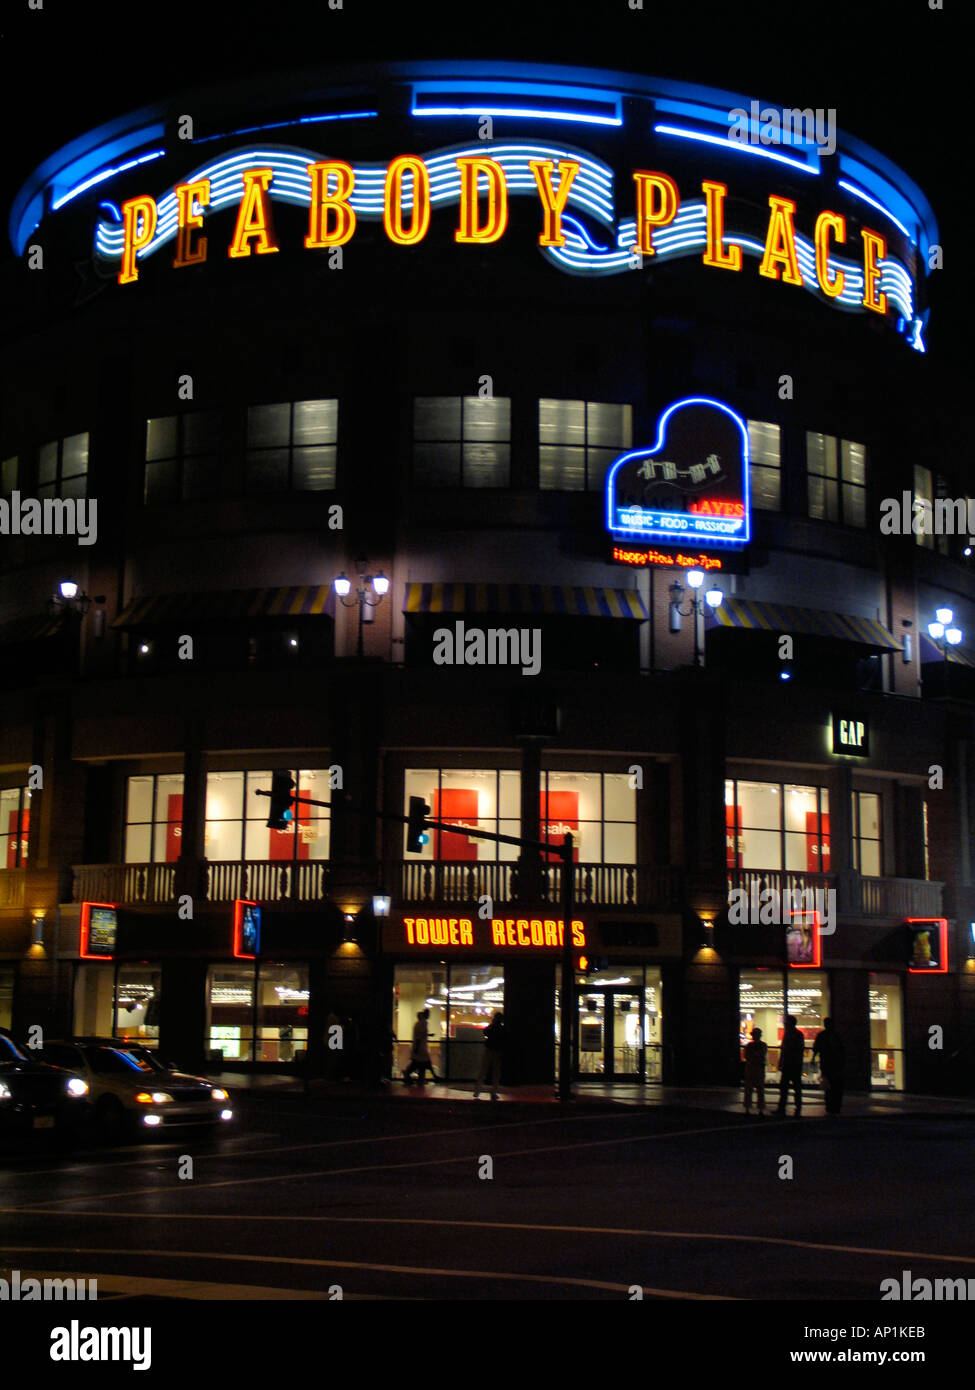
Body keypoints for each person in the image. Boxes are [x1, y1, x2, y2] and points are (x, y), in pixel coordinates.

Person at [812, 1017, 846, 1114]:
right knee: (836, 1086)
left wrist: (813, 1058)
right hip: (835, 1064)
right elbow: (842, 1049)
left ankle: (830, 1106)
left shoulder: (822, 1035)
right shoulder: (836, 1035)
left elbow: (816, 1048)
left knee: (828, 1086)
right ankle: (836, 1106)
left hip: (826, 1064)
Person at [776, 1015, 805, 1116]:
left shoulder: (793, 1035)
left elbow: (786, 1050)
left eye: (785, 1023)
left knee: (787, 1087)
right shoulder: (795, 1034)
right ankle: (794, 1107)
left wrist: (781, 1062)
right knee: (792, 1087)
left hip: (792, 1064)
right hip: (793, 1065)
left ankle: (784, 1107)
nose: (784, 1025)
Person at [403, 1009, 439, 1085]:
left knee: (419, 1064)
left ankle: (418, 1078)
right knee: (423, 1063)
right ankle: (429, 1077)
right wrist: (417, 1048)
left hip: (419, 1048)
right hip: (420, 1048)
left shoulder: (418, 1024)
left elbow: (420, 1035)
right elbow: (420, 1036)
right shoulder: (423, 1024)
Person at [474, 1011, 504, 1100]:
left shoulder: (491, 1027)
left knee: (483, 1071)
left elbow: (485, 1032)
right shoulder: (502, 1029)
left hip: (489, 1050)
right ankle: (494, 1092)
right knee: (496, 1073)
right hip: (497, 1052)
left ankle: (477, 1091)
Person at [742, 1026, 768, 1116]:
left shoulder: (749, 1046)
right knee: (760, 1090)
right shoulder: (763, 1045)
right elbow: (761, 1055)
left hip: (751, 1068)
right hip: (759, 1068)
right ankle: (760, 1108)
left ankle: (748, 1108)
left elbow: (747, 1056)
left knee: (749, 1089)